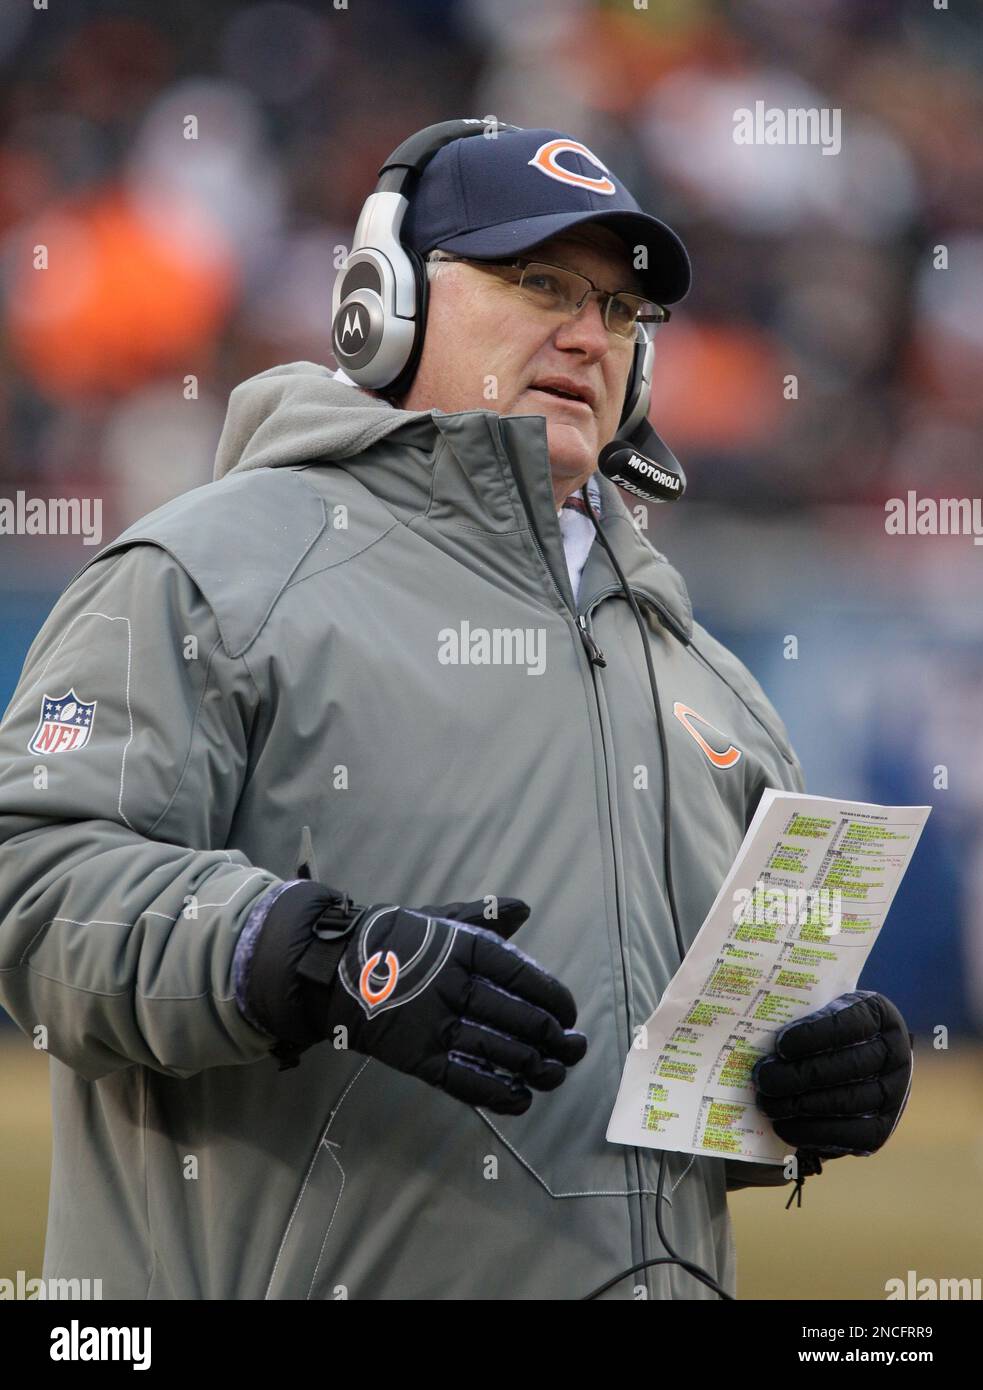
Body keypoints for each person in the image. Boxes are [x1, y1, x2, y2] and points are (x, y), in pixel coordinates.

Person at [0, 121, 912, 1300]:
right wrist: (310, 958)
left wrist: (796, 1087)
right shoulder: (208, 572)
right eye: (539, 282)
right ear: (382, 304)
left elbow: (640, 1112)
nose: (589, 334)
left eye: (623, 311)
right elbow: (31, 877)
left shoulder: (702, 678)